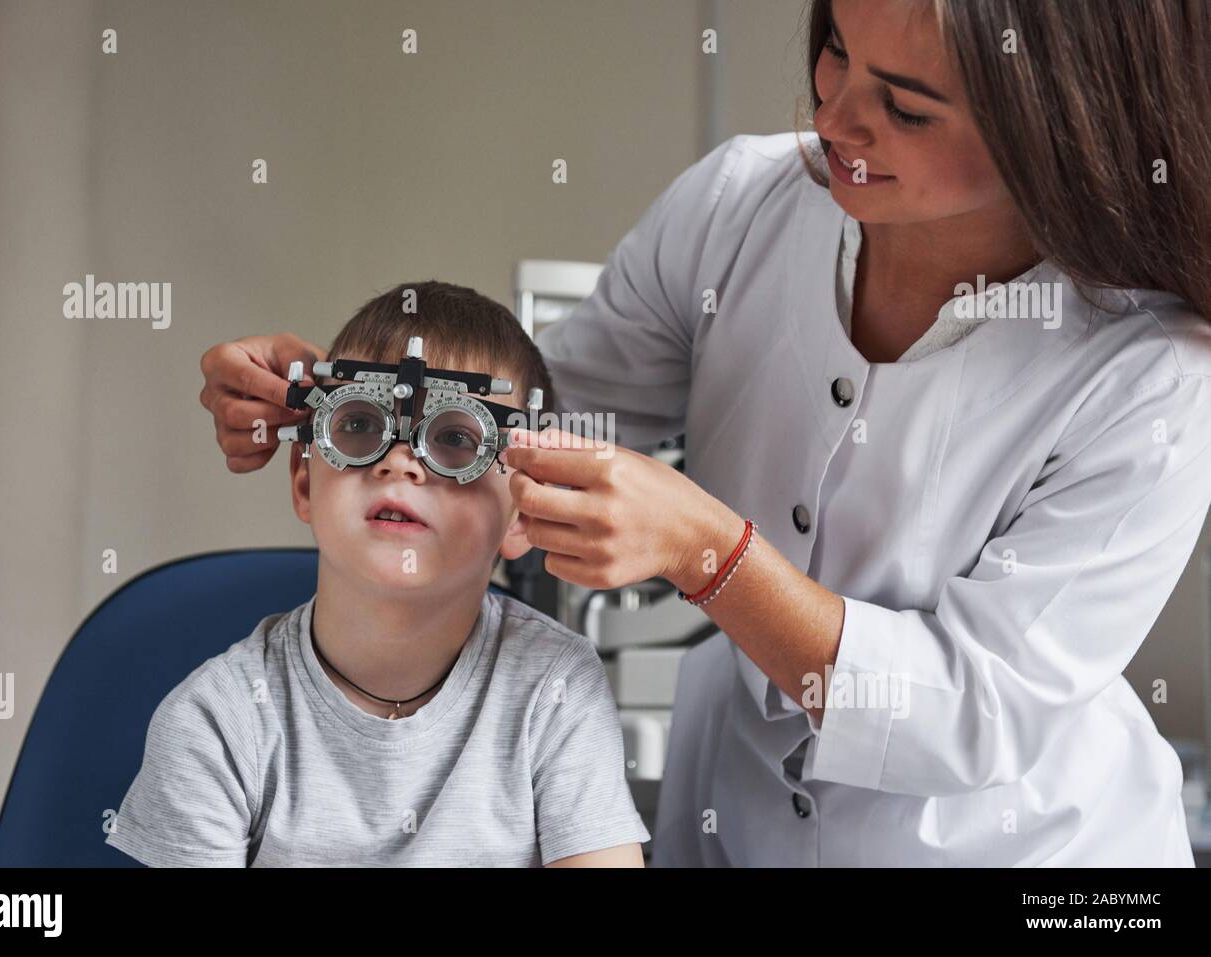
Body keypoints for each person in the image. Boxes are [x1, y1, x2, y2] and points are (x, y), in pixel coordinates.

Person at [199, 0, 1211, 865]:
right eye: (835, 52)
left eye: (903, 105)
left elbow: (968, 713)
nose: (833, 115)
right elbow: (544, 420)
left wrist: (711, 558)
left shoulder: (1153, 374)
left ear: (1054, 123)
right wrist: (345, 393)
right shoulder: (743, 206)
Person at [111, 281, 649, 867]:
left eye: (454, 439)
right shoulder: (218, 721)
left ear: (522, 515)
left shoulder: (556, 688)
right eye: (361, 425)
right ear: (303, 480)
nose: (399, 461)